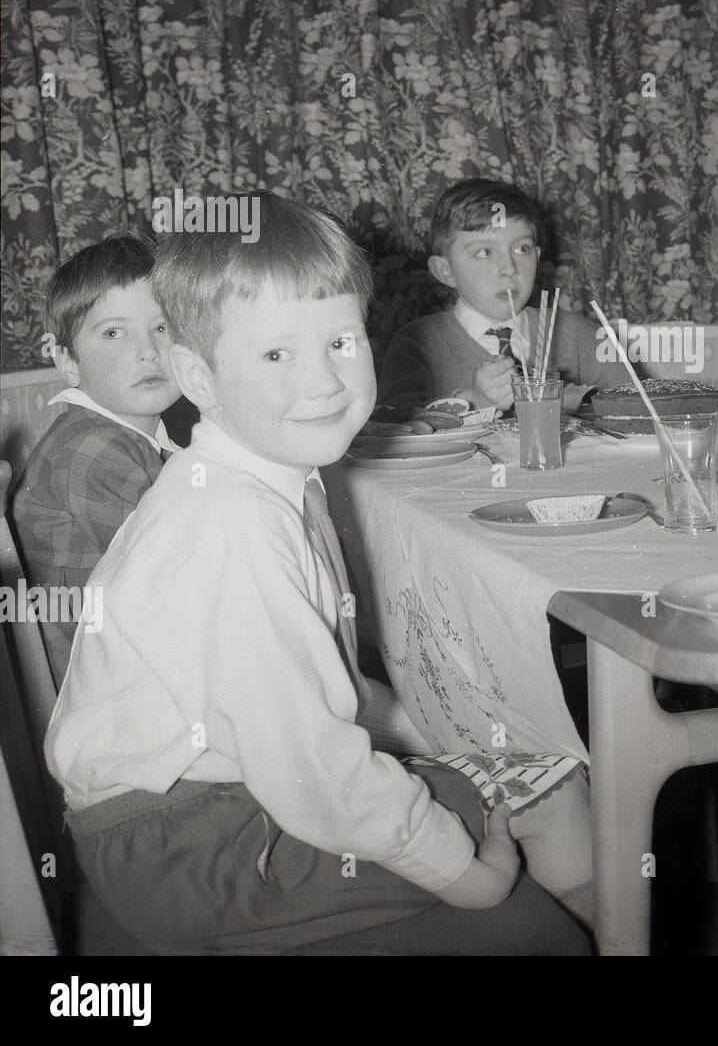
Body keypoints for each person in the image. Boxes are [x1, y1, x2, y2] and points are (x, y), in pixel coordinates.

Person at [44, 194, 590, 955]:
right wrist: (471, 877)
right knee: (551, 810)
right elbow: (307, 764)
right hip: (192, 847)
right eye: (276, 354)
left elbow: (335, 693)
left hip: (212, 806)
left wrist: (442, 747)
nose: (327, 382)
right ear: (198, 375)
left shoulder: (267, 482)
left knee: (525, 785)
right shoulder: (230, 523)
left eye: (340, 341)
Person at [12, 237, 180, 688]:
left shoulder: (126, 434)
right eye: (113, 332)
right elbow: (179, 577)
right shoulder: (95, 449)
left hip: (128, 658)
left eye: (163, 327)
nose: (147, 350)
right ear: (68, 362)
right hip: (105, 687)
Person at [378, 179, 624, 413]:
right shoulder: (417, 344)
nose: (509, 268)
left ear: (538, 256)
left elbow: (641, 408)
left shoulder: (577, 333)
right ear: (445, 271)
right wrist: (472, 401)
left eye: (522, 249)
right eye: (484, 252)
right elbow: (395, 427)